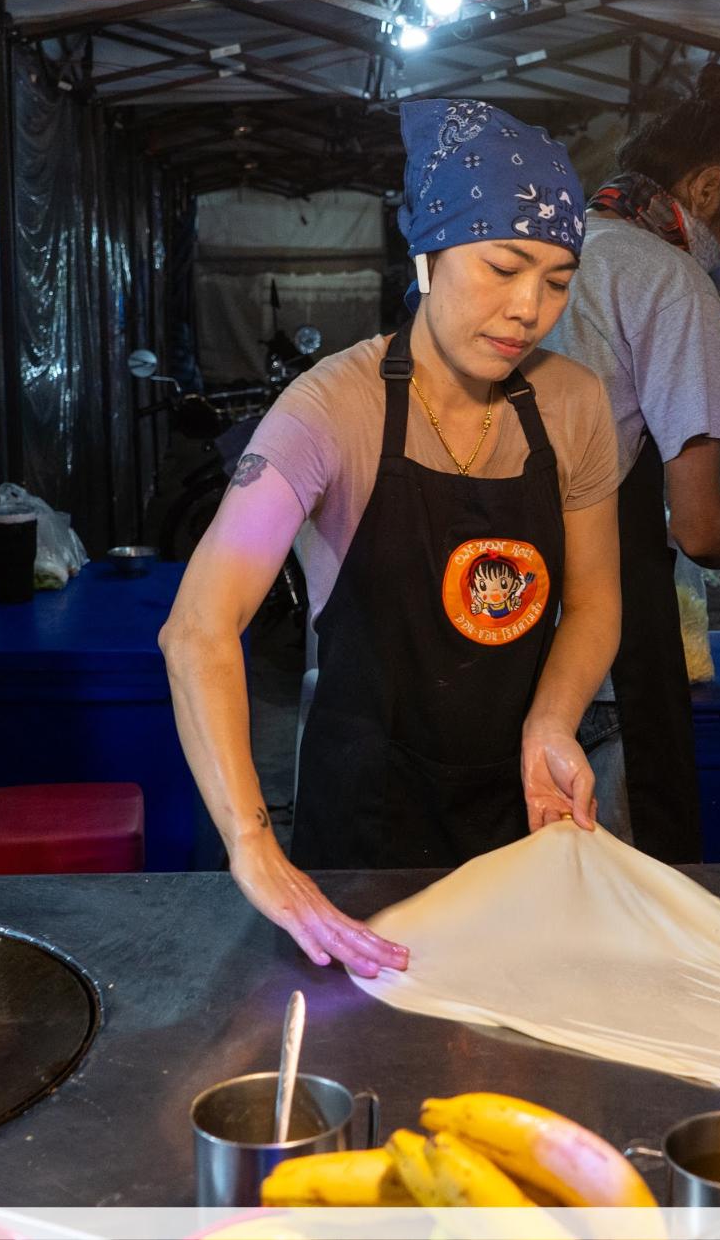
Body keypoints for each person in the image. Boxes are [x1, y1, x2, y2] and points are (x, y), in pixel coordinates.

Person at [159, 100, 622, 975]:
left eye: (557, 280)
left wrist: (552, 725)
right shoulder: (333, 407)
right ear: (428, 251)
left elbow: (596, 600)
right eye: (502, 265)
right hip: (363, 838)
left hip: (517, 819)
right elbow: (198, 628)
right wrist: (253, 844)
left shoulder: (573, 404)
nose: (527, 307)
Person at [541, 64, 720, 861]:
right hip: (609, 630)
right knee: (628, 869)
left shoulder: (546, 253)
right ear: (705, 187)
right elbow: (699, 525)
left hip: (507, 607)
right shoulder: (670, 278)